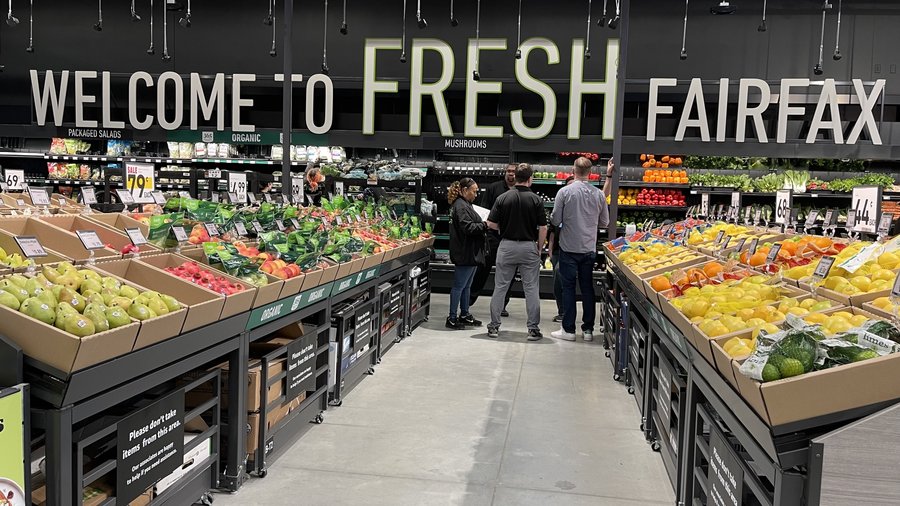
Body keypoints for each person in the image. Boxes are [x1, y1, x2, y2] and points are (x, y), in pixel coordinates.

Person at [550, 157, 612, 342]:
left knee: (568, 288)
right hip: (588, 248)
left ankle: (568, 330)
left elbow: (555, 220)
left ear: (573, 170)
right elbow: (605, 222)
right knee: (587, 288)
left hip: (569, 248)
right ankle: (588, 331)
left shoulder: (564, 192)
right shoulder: (598, 194)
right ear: (590, 172)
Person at [485, 163, 547, 341]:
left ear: (515, 177)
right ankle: (533, 329)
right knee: (531, 289)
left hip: (507, 246)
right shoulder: (536, 200)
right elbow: (543, 228)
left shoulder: (503, 198)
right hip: (528, 247)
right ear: (530, 179)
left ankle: (494, 327)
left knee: (501, 287)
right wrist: (539, 248)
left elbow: (491, 224)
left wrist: (503, 229)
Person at [470, 164, 517, 314]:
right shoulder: (494, 188)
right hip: (492, 238)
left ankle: (502, 305)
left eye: (514, 172)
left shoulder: (521, 191)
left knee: (507, 274)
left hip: (511, 238)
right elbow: (484, 211)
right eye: (509, 171)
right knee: (481, 270)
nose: (511, 174)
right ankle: (468, 301)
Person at [446, 178, 487, 330]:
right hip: (464, 252)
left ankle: (464, 314)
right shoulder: (461, 206)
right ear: (464, 190)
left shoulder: (464, 204)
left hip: (469, 252)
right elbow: (467, 228)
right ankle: (452, 318)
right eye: (474, 191)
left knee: (466, 286)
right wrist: (484, 225)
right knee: (459, 286)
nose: (476, 194)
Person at [548, 176, 575, 323]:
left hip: (572, 250)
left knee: (562, 277)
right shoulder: (559, 207)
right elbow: (552, 231)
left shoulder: (577, 210)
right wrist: (550, 250)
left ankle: (567, 312)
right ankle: (561, 311)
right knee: (557, 283)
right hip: (558, 251)